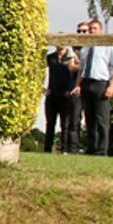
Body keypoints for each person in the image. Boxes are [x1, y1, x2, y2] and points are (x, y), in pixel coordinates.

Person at [79, 18, 113, 156]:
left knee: (102, 119)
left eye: (94, 28)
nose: (92, 31)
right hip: (86, 83)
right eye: (90, 29)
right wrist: (78, 85)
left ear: (101, 30)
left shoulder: (109, 46)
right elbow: (81, 69)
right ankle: (91, 148)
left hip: (101, 83)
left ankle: (102, 150)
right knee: (89, 118)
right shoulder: (85, 48)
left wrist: (112, 86)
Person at [44, 25, 83, 153]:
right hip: (52, 94)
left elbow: (80, 71)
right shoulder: (50, 58)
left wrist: (76, 86)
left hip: (66, 95)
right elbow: (39, 71)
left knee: (65, 125)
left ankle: (65, 150)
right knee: (50, 124)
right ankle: (47, 150)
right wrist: (42, 89)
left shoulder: (73, 57)